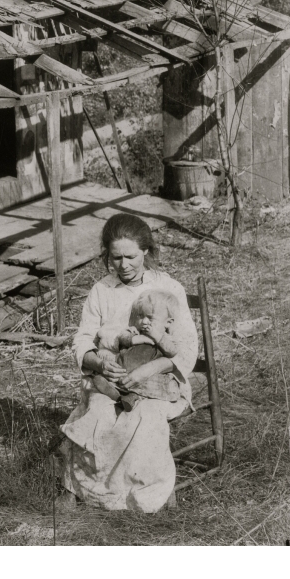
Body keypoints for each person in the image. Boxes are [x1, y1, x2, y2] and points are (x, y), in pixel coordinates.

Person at [59, 213, 198, 513]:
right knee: (98, 413)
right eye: (116, 257)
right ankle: (91, 490)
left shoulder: (168, 288)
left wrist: (147, 369)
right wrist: (98, 363)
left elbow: (187, 347)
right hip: (112, 377)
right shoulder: (102, 290)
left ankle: (145, 494)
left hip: (159, 379)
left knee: (144, 417)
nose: (123, 265)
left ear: (146, 250)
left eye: (131, 257)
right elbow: (82, 338)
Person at [91, 289, 182, 411]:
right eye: (140, 316)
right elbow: (122, 338)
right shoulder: (136, 331)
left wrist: (157, 337)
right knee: (110, 373)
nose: (144, 322)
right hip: (123, 369)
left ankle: (128, 398)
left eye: (150, 318)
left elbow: (172, 351)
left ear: (168, 323)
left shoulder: (166, 338)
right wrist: (134, 338)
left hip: (145, 377)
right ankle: (117, 393)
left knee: (152, 385)